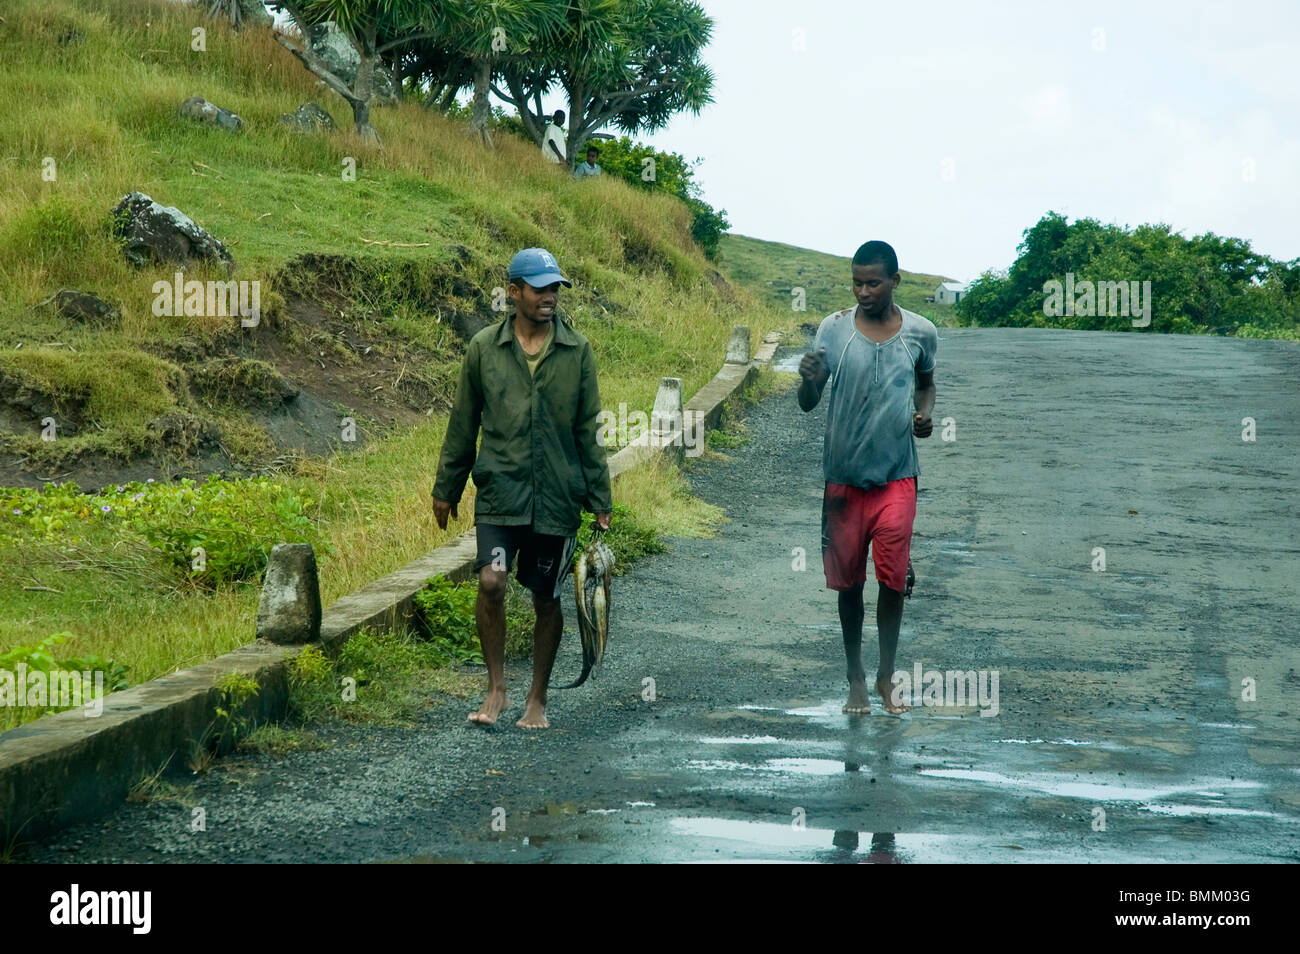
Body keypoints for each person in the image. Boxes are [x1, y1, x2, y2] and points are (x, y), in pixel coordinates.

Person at [432, 247, 612, 729]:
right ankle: (496, 689)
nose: (550, 297)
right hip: (500, 495)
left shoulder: (577, 352)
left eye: (555, 288)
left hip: (555, 498)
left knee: (545, 597)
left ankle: (538, 698)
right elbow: (463, 422)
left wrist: (600, 498)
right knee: (492, 581)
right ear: (514, 293)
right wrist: (446, 486)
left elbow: (589, 430)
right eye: (539, 288)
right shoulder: (484, 351)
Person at [797, 240, 938, 715]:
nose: (863, 291)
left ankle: (885, 678)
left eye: (873, 282)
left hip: (898, 477)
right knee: (849, 584)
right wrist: (809, 379)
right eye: (856, 282)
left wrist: (925, 415)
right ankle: (855, 679)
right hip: (843, 481)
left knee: (893, 581)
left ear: (896, 281)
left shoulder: (921, 332)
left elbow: (926, 384)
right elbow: (808, 403)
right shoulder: (833, 331)